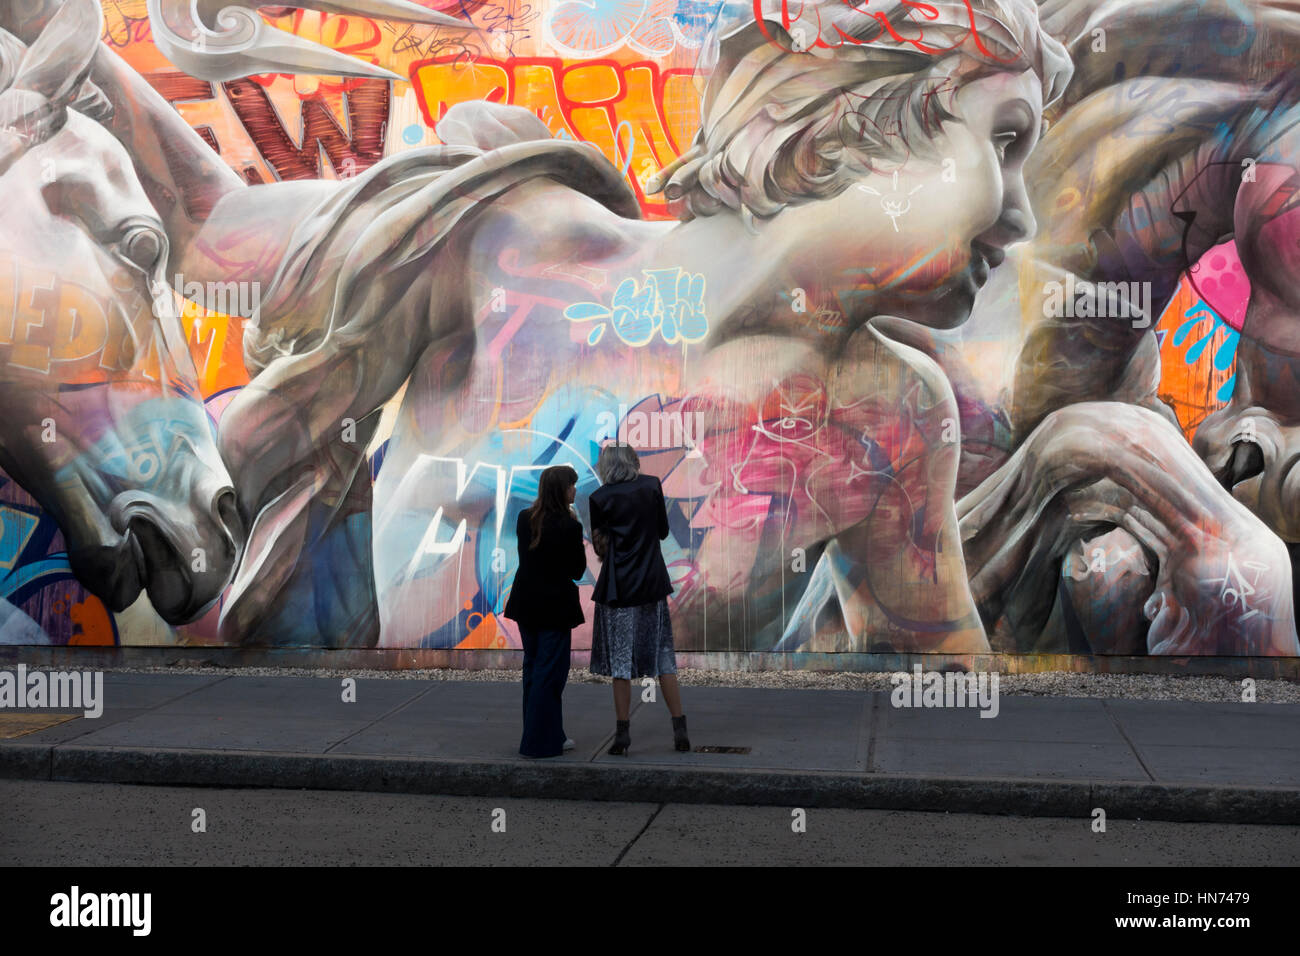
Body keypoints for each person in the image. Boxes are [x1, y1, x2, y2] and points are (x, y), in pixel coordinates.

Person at [588, 443, 688, 755]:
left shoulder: (598, 498)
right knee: (663, 657)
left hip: (619, 588)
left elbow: (601, 548)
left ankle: (622, 735)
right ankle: (680, 730)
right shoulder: (651, 486)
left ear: (606, 466)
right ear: (633, 461)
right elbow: (661, 531)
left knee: (621, 662)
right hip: (652, 583)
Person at [502, 465, 586, 758]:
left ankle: (549, 732)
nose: (575, 489)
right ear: (561, 490)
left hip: (526, 603)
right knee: (550, 673)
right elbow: (577, 570)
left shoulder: (525, 519)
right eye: (571, 485)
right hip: (555, 607)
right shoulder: (570, 526)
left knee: (534, 668)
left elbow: (528, 558)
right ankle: (538, 743)